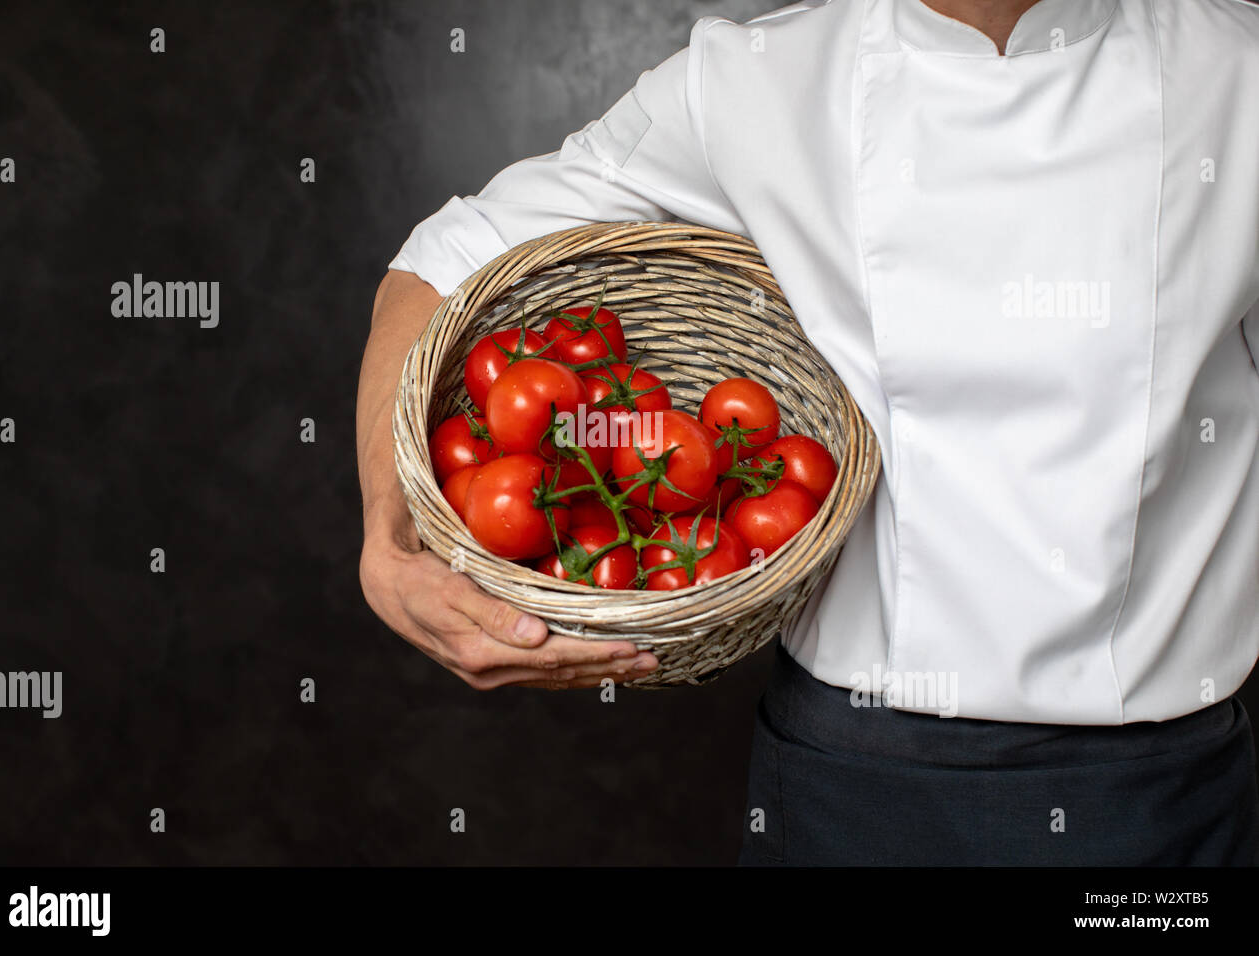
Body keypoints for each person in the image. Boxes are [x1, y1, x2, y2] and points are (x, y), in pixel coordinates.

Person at [357, 0, 1259, 864]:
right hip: (848, 787)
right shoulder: (757, 78)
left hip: (1157, 797)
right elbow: (448, 259)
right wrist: (387, 534)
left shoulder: (1238, 68)